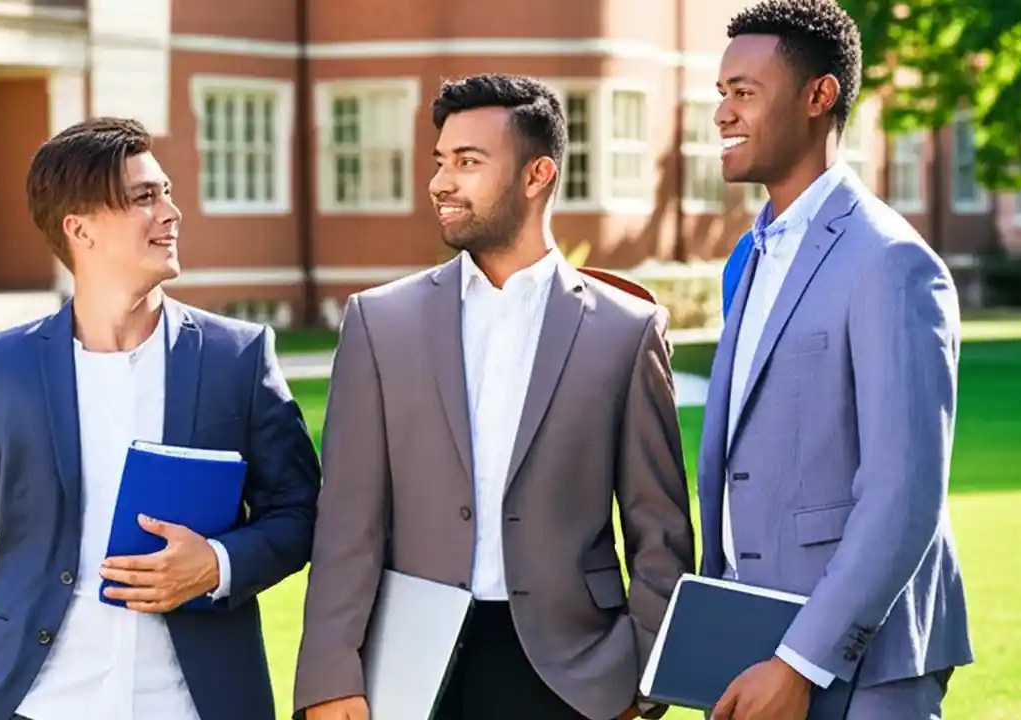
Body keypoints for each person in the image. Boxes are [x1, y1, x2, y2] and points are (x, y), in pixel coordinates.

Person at [292, 73, 695, 720]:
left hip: (576, 677)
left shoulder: (626, 330)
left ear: (537, 176)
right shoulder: (379, 323)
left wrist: (641, 682)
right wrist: (331, 676)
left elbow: (661, 532)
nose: (441, 182)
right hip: (413, 672)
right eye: (440, 161)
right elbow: (347, 522)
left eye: (469, 163)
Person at [0, 117, 321, 720]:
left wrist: (218, 564)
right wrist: (1, 677)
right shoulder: (1, 369)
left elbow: (301, 510)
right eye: (144, 197)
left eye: (166, 192)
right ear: (78, 229)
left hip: (199, 704)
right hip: (43, 706)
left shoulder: (235, 358)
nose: (171, 212)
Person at [699, 2, 974, 718]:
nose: (723, 114)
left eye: (744, 93)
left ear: (819, 97)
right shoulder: (747, 260)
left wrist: (801, 661)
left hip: (863, 668)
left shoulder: (892, 263)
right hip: (752, 644)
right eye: (721, 94)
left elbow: (904, 494)